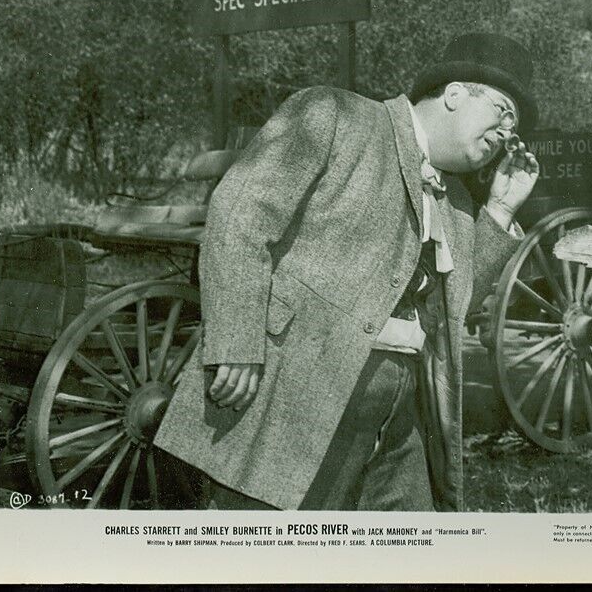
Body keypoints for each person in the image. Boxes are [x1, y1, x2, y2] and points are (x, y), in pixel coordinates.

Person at [154, 32, 541, 511]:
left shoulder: (460, 202)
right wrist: (236, 341)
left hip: (401, 420)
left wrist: (500, 210)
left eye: (514, 125)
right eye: (503, 111)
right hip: (297, 404)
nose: (508, 134)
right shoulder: (334, 116)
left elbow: (453, 306)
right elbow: (241, 215)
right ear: (455, 93)